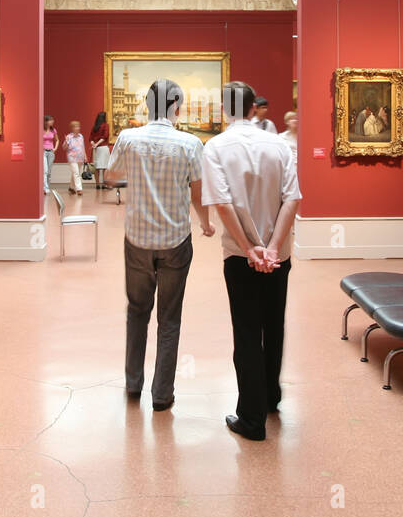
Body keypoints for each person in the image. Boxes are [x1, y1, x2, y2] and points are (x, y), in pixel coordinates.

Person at [105, 79, 214, 412]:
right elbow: (197, 193)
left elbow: (110, 177)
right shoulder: (190, 144)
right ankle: (162, 394)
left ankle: (133, 383)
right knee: (169, 318)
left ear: (146, 106)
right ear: (177, 108)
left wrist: (137, 179)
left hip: (137, 239)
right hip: (175, 240)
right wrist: (206, 223)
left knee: (137, 312)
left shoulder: (128, 138)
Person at [201, 80, 301, 442]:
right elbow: (292, 198)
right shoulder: (279, 145)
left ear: (224, 110)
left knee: (246, 331)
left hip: (240, 257)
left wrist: (249, 249)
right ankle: (271, 397)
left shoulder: (215, 147)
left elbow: (223, 204)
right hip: (280, 256)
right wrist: (272, 247)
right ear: (251, 108)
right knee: (274, 325)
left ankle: (251, 418)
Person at [63, 120, 87, 195]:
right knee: (76, 173)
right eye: (76, 127)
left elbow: (83, 147)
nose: (78, 128)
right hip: (72, 158)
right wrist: (66, 142)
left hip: (80, 157)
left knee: (75, 173)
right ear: (72, 128)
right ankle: (79, 189)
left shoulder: (81, 136)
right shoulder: (69, 137)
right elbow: (64, 148)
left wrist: (85, 156)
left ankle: (71, 187)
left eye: (78, 126)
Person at [90, 112, 111, 189]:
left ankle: (97, 184)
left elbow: (90, 138)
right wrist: (98, 144)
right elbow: (105, 136)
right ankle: (105, 184)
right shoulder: (106, 125)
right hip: (103, 147)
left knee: (97, 167)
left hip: (96, 149)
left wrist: (94, 144)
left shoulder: (94, 127)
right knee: (105, 167)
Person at [42, 115, 59, 189]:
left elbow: (57, 140)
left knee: (49, 171)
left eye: (53, 120)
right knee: (45, 170)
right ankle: (45, 187)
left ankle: (47, 186)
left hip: (51, 152)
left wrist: (55, 148)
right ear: (46, 122)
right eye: (50, 120)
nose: (52, 121)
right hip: (43, 152)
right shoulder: (41, 129)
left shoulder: (53, 130)